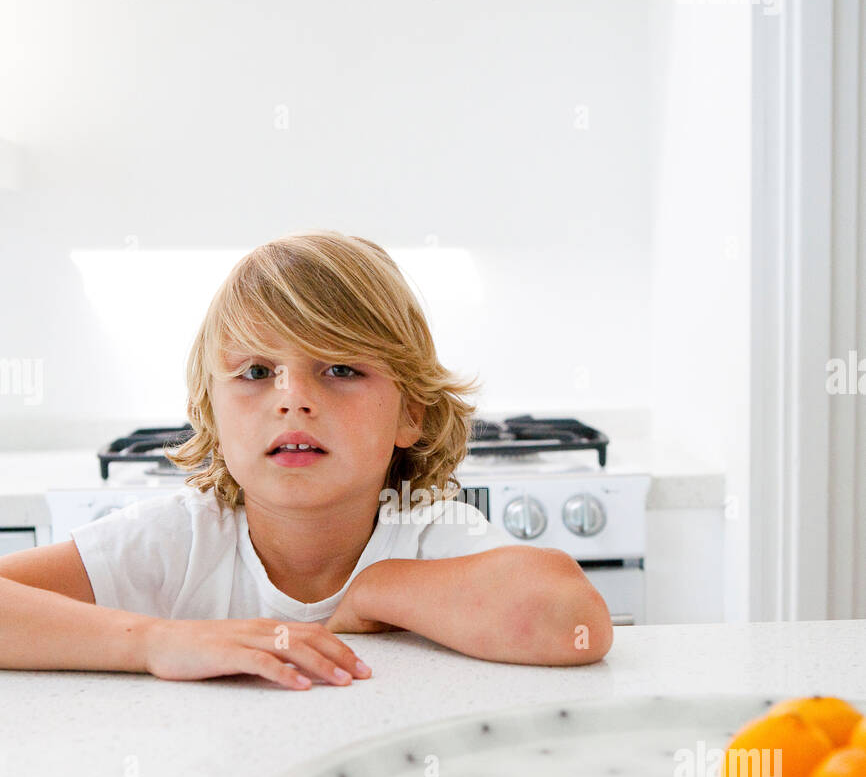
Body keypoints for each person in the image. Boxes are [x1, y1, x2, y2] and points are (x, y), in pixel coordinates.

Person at [0, 230, 613, 688]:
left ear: (411, 415)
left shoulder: (425, 534)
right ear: (210, 412)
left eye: (340, 369)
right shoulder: (178, 541)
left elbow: (571, 622)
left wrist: (377, 588)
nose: (293, 399)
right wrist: (157, 642)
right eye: (257, 372)